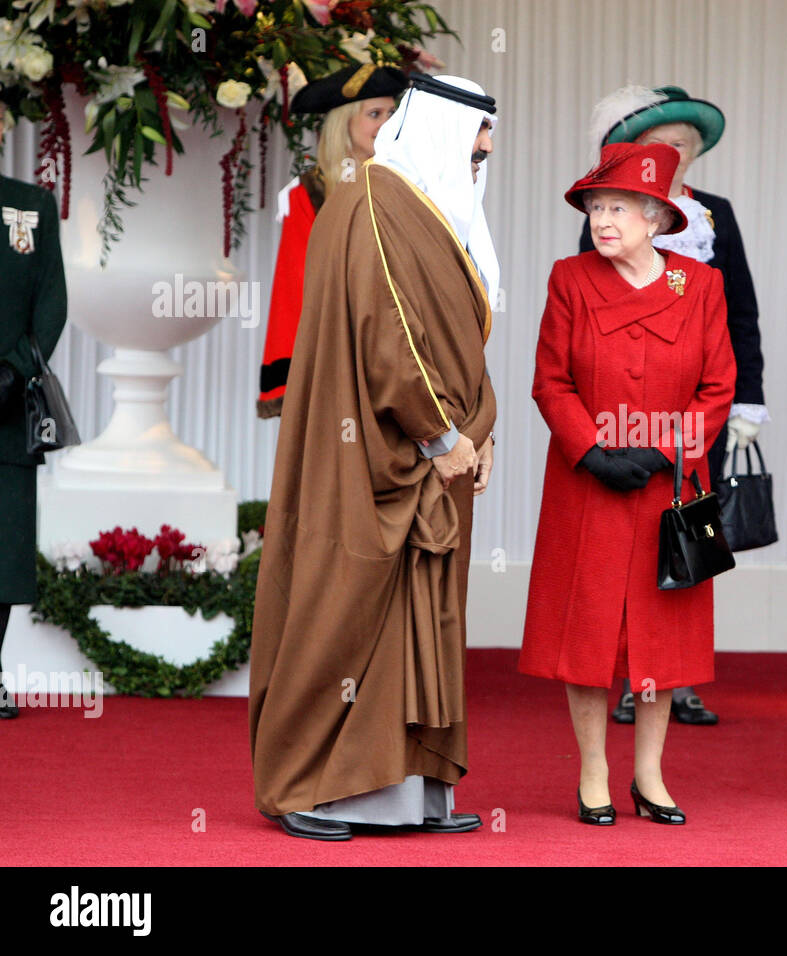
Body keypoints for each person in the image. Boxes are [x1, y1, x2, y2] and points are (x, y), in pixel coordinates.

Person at [249, 74, 499, 841]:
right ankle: (308, 785)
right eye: (473, 148)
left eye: (488, 153)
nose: (482, 161)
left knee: (420, 617)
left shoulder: (416, 207)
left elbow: (457, 339)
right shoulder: (372, 203)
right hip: (373, 457)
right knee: (344, 607)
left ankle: (407, 790)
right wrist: (443, 434)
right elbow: (386, 335)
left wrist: (478, 433)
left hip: (437, 459)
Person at [519, 142, 736, 825]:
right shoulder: (571, 279)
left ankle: (650, 773)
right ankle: (592, 771)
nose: (601, 220)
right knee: (587, 634)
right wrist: (592, 451)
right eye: (594, 207)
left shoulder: (697, 287)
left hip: (671, 492)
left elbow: (718, 387)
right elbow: (550, 380)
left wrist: (665, 449)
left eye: (617, 208)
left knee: (660, 636)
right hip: (590, 485)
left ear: (655, 218)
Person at [581, 84, 765, 726]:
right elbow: (589, 319)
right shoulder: (610, 215)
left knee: (692, 541)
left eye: (685, 146)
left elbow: (741, 313)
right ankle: (632, 676)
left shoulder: (715, 214)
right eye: (664, 145)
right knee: (627, 555)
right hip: (626, 416)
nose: (676, 155)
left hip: (698, 416)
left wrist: (748, 398)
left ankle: (679, 677)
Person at [256, 63, 406, 418]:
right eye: (374, 113)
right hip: (335, 359)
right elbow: (294, 290)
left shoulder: (411, 188)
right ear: (345, 122)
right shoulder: (309, 194)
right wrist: (298, 382)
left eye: (392, 113)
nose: (387, 123)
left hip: (400, 360)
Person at [0, 117, 68, 720]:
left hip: (5, 407)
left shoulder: (31, 206)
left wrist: (13, 371)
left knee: (2, 549)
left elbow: (51, 300)